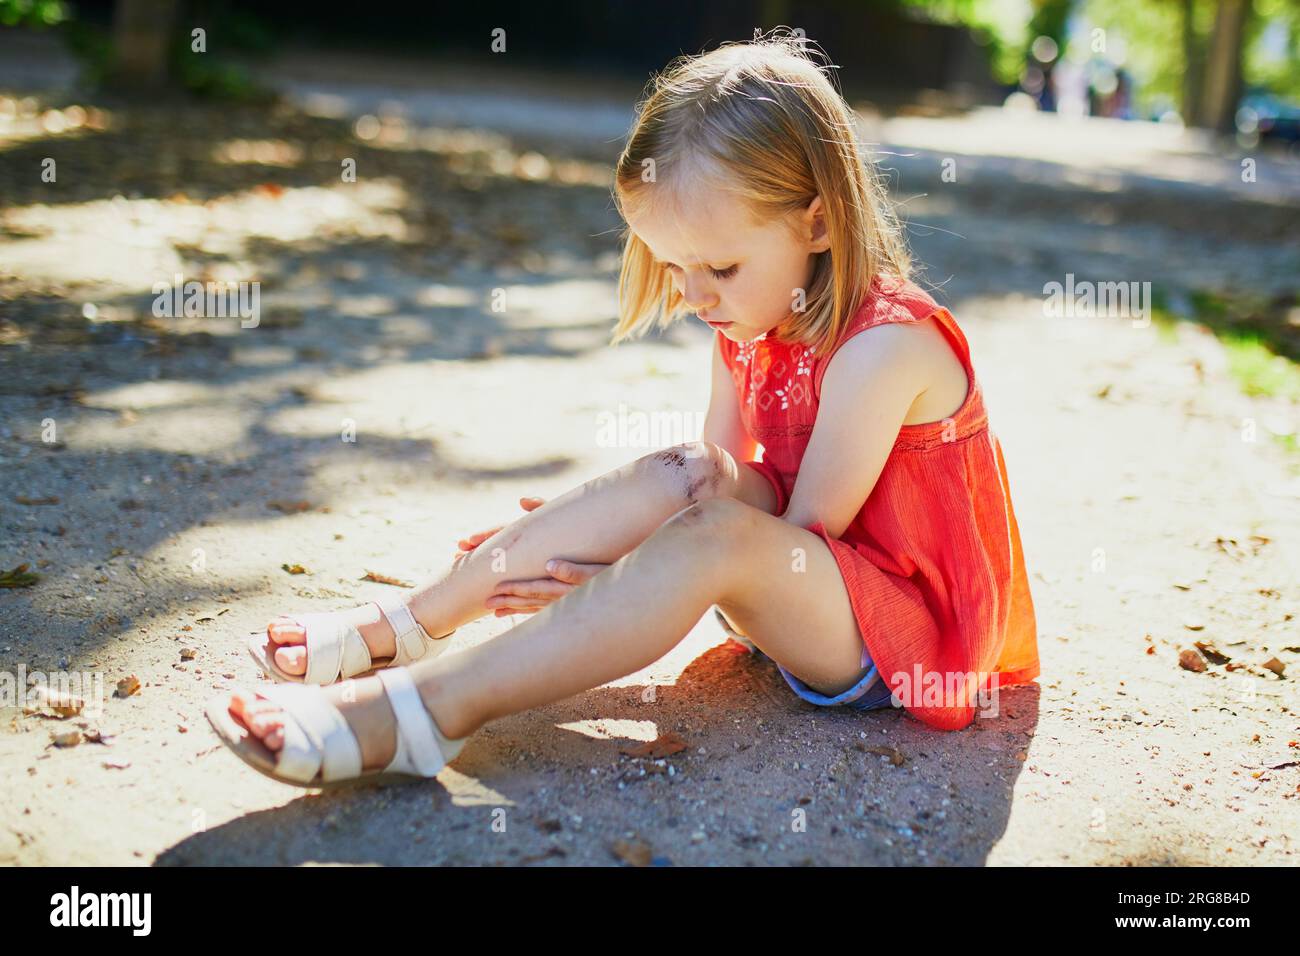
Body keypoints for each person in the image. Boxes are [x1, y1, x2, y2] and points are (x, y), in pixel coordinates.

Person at [206, 32, 1040, 788]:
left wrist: (630, 577)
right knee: (691, 469)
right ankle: (414, 620)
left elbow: (786, 547)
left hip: (896, 639)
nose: (695, 295)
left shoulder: (882, 347)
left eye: (718, 265)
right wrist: (608, 543)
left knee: (713, 531)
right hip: (797, 594)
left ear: (817, 221)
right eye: (676, 266)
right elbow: (715, 489)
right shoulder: (752, 320)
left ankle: (423, 710)